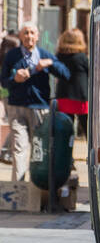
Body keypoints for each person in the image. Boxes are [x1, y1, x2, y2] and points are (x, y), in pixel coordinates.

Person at [0, 25, 70, 184]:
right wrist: (14, 80)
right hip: (16, 108)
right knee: (19, 148)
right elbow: (3, 82)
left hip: (40, 108)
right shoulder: (12, 56)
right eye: (25, 33)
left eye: (32, 33)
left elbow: (65, 74)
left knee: (40, 149)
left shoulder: (44, 55)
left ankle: (37, 187)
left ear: (37, 36)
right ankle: (18, 188)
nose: (29, 36)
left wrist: (50, 64)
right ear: (20, 36)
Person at [54, 28, 89, 141]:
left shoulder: (59, 56)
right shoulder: (82, 57)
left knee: (66, 127)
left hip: (63, 95)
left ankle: (66, 154)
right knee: (86, 126)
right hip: (81, 96)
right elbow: (90, 72)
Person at [0, 32, 20, 163]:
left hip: (3, 93)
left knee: (12, 121)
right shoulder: (13, 59)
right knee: (14, 122)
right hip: (10, 93)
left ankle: (6, 151)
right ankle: (6, 152)